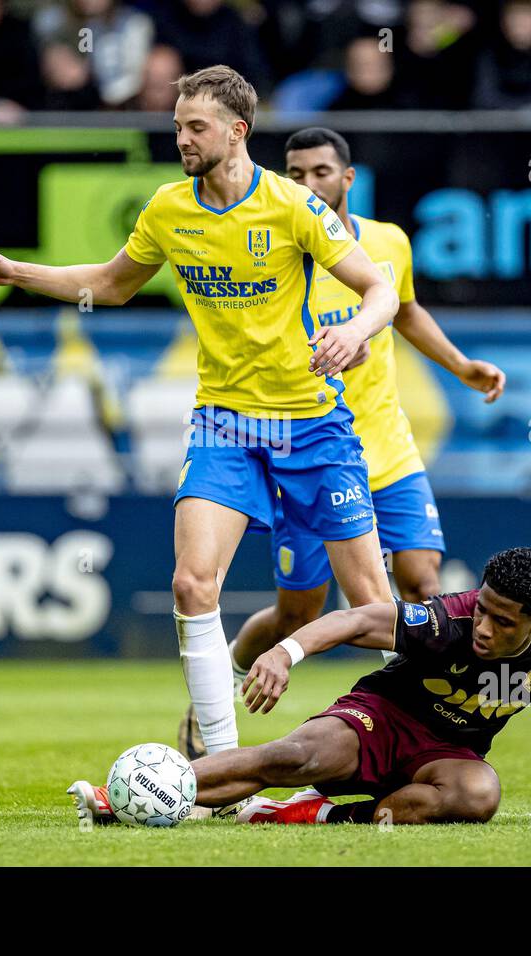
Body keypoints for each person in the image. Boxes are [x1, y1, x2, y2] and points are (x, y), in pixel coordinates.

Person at [0, 65, 398, 761]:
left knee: (375, 612)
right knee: (192, 583)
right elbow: (110, 284)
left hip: (313, 427)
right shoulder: (168, 209)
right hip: (226, 424)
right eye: (177, 128)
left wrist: (354, 331)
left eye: (196, 127)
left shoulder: (292, 206)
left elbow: (381, 291)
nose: (183, 140)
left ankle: (422, 736)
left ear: (237, 131)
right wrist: (16, 273)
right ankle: (215, 769)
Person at [178, 126, 506, 758]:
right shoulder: (281, 247)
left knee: (419, 583)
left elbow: (404, 309)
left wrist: (461, 365)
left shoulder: (387, 243)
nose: (309, 184)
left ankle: (422, 730)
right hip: (313, 451)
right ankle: (224, 673)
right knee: (298, 613)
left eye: (321, 172)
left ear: (348, 178)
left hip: (386, 449)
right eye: (296, 174)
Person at [72, 547, 531, 826]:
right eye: (483, 609)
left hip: (448, 753)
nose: (484, 628)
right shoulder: (447, 620)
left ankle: (308, 815)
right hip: (378, 718)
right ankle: (124, 797)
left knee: (479, 796)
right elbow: (354, 620)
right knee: (293, 757)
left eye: (502, 621)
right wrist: (286, 652)